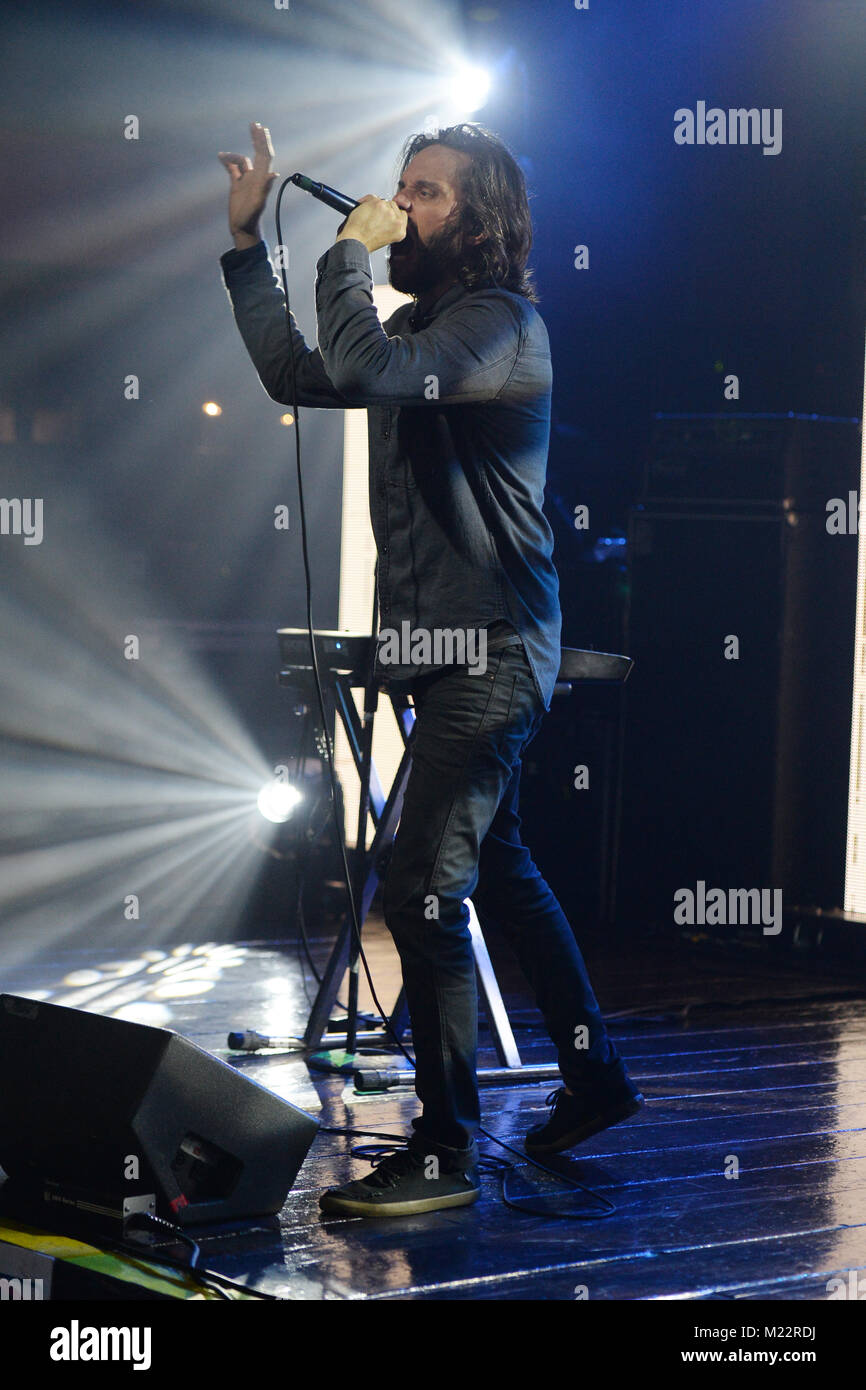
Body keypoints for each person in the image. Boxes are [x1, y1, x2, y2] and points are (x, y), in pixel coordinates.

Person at [218, 121, 643, 1218]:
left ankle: (444, 1150)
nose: (401, 206)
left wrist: (342, 255)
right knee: (497, 863)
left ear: (481, 221)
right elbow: (295, 372)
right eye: (399, 188)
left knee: (422, 883)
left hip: (492, 650)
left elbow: (368, 368)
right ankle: (594, 1074)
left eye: (426, 193)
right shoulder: (418, 328)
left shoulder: (499, 327)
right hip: (434, 653)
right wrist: (244, 241)